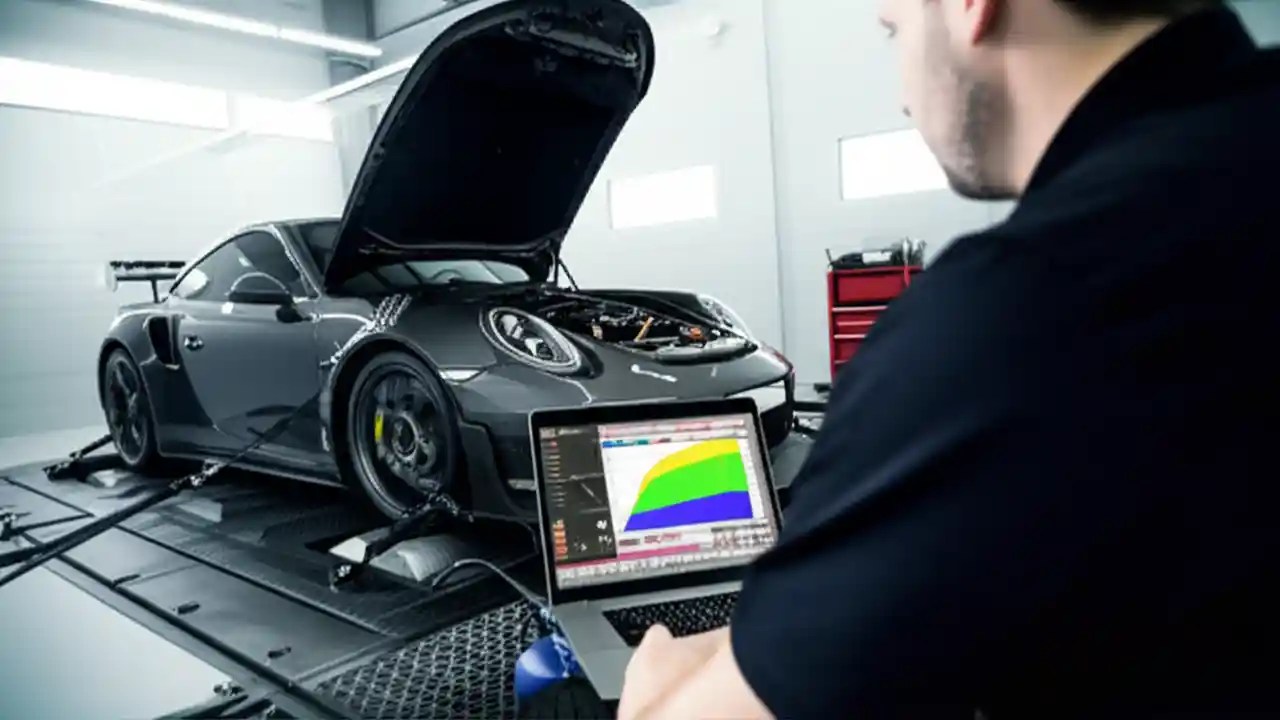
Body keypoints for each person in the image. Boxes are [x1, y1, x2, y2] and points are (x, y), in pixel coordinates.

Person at [618, 0, 1280, 717]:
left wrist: (656, 673)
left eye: (894, 31)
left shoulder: (1020, 310)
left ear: (972, 6)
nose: (903, 93)